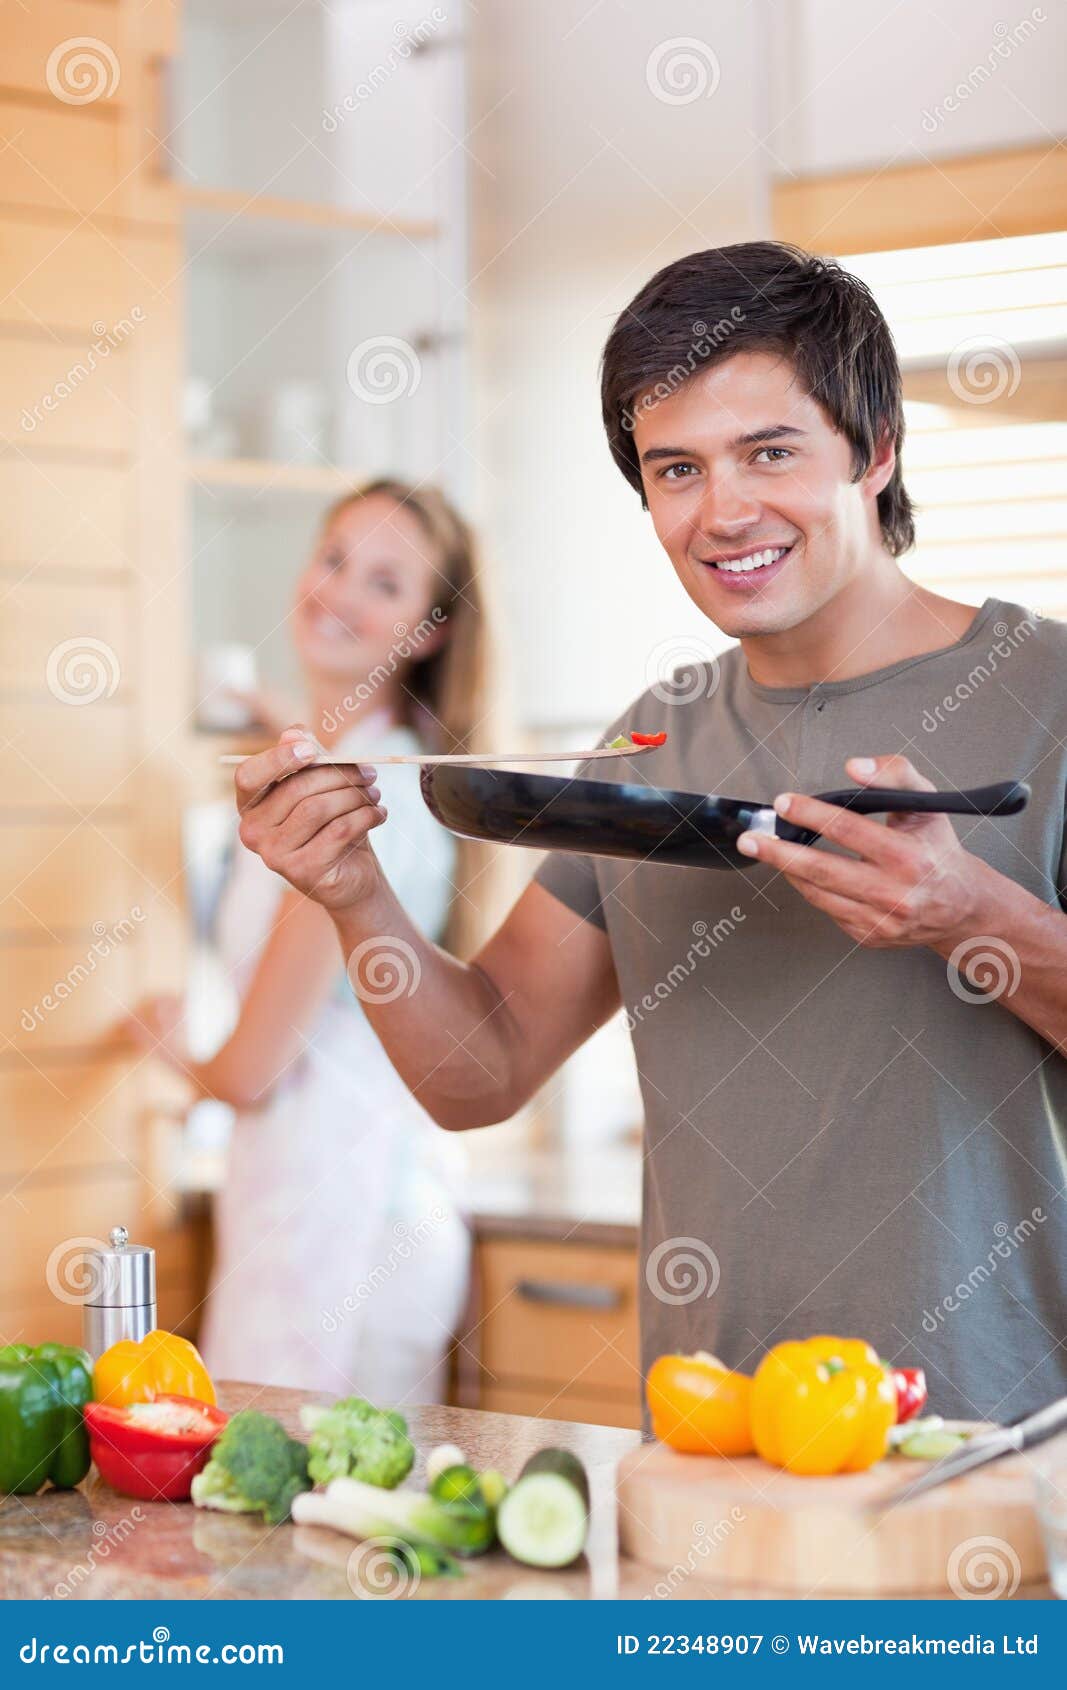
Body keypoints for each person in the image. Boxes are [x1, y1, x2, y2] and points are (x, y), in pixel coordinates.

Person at [231, 244, 1067, 1425]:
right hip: (709, 1447)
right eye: (676, 468)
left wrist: (974, 917)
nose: (722, 512)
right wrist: (354, 895)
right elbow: (485, 1070)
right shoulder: (653, 738)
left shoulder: (1048, 693)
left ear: (875, 450)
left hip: (999, 1454)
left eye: (768, 452)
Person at [128, 478, 495, 1400]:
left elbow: (250, 1070)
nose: (337, 593)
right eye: (332, 560)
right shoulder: (358, 762)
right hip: (327, 1190)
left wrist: (174, 1048)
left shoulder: (358, 802)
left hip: (340, 1211)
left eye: (383, 584)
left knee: (300, 1517)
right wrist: (266, 714)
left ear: (428, 631)